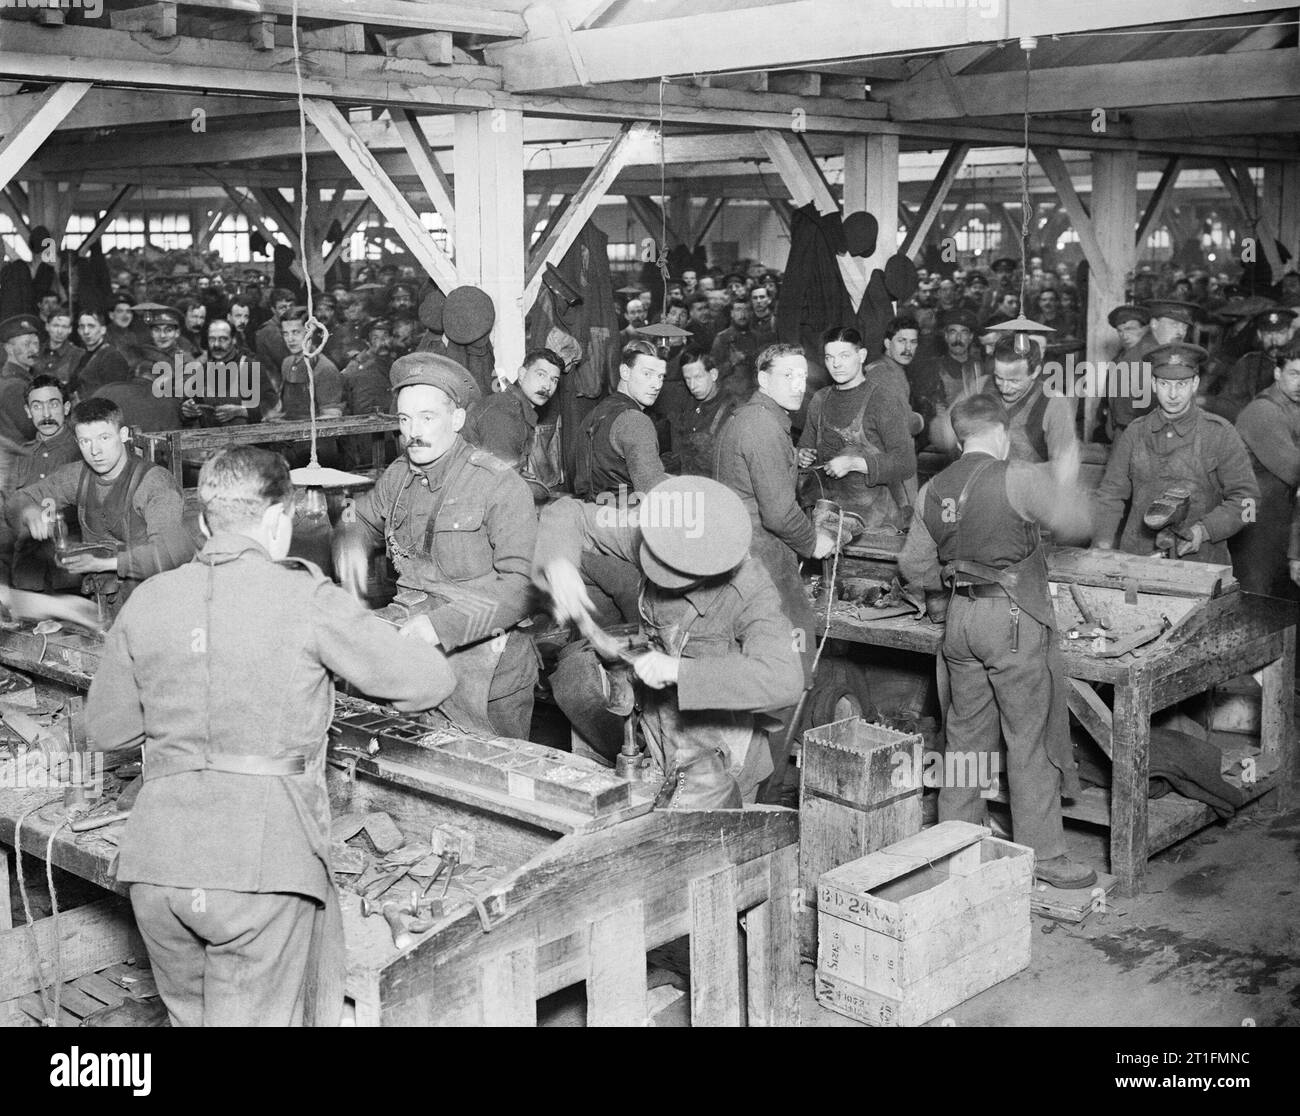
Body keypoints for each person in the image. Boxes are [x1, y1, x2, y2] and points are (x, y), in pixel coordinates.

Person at [84, 446, 455, 1027]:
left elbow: (107, 729)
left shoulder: (148, 599)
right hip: (260, 869)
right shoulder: (305, 599)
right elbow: (428, 682)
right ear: (279, 523)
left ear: (204, 523)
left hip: (157, 866)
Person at [898, 393, 1096, 890]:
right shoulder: (1019, 476)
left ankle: (955, 845)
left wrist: (945, 605)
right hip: (1011, 621)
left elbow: (914, 565)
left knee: (964, 740)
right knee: (1027, 740)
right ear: (1002, 433)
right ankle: (1045, 855)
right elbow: (1078, 525)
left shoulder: (931, 489)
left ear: (960, 438)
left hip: (960, 621)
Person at [538, 476, 805, 806]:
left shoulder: (751, 588)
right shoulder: (656, 534)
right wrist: (560, 562)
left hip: (720, 757)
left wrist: (679, 671)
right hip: (658, 733)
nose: (662, 578)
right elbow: (568, 512)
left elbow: (785, 679)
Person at [332, 353, 538, 739]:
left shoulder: (497, 484)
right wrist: (350, 566)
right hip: (412, 653)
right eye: (404, 420)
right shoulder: (398, 476)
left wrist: (440, 627)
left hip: (484, 665)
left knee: (486, 787)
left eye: (427, 418)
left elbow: (523, 589)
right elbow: (354, 517)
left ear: (457, 420)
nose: (413, 433)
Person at [713, 342, 835, 796]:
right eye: (787, 376)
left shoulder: (746, 420)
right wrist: (814, 542)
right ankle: (765, 789)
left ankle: (745, 782)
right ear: (763, 379)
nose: (798, 385)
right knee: (792, 671)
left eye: (803, 376)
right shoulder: (765, 427)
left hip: (737, 561)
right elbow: (780, 514)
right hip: (765, 561)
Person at [8, 397, 195, 618]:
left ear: (123, 435)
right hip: (103, 603)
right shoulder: (78, 475)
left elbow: (169, 554)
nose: (95, 450)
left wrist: (102, 564)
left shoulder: (153, 483)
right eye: (85, 441)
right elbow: (19, 499)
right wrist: (29, 512)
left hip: (156, 606)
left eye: (104, 438)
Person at [1093, 343, 1258, 566]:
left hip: (1202, 561)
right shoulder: (1135, 432)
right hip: (1138, 559)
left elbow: (1248, 502)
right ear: (1153, 384)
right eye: (1164, 383)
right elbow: (1110, 495)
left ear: (1195, 384)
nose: (1172, 394)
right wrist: (1101, 545)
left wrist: (1205, 530)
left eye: (1181, 384)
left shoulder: (1220, 433)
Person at [798, 326, 918, 529]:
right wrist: (802, 454)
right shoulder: (819, 399)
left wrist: (854, 463)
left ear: (861, 355)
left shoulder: (882, 400)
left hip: (875, 523)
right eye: (829, 357)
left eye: (844, 355)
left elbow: (905, 463)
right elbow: (805, 447)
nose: (836, 364)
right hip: (826, 516)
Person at [1232, 338, 1300, 596]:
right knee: (1256, 595)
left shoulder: (1293, 407)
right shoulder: (1262, 411)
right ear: (1277, 373)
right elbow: (1294, 469)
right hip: (1255, 520)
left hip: (1283, 517)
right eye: (1294, 373)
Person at [0, 376, 81, 590]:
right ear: (28, 412)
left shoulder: (84, 451)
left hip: (73, 578)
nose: (46, 415)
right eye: (37, 406)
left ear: (66, 407)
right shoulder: (19, 457)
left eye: (53, 404)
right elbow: (6, 520)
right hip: (27, 579)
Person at [461, 348, 564, 500]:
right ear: (522, 374)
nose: (547, 386)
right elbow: (500, 486)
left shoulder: (515, 407)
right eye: (541, 374)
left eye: (554, 380)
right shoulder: (504, 412)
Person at [1203, 308, 1297, 422]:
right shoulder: (1249, 363)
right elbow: (1229, 402)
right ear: (1259, 335)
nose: (1274, 341)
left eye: (1280, 333)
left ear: (1290, 333)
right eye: (1268, 334)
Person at [662, 349, 735, 477]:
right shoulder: (685, 404)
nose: (692, 386)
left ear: (713, 374)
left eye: (698, 377)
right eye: (687, 379)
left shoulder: (731, 410)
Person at [277, 311, 343, 421]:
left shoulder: (324, 368)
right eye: (285, 333)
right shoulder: (287, 363)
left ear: (309, 332)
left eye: (295, 332)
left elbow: (332, 417)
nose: (290, 339)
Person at [0, 315, 43, 484]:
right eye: (26, 344)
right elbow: (32, 429)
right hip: (19, 468)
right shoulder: (15, 386)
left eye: (36, 344)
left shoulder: (21, 379)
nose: (33, 350)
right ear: (9, 349)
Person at [1104, 304, 1157, 437]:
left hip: (1138, 429)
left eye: (1130, 329)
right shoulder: (1120, 357)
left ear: (1145, 328)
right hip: (1121, 427)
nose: (1124, 335)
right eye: (1120, 331)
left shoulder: (1149, 355)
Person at [710, 297, 762, 399]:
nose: (742, 314)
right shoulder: (722, 338)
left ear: (751, 313)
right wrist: (731, 362)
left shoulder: (758, 338)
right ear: (732, 313)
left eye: (746, 310)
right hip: (729, 396)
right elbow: (713, 371)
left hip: (754, 394)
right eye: (738, 310)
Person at [74, 310, 132, 399]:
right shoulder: (83, 356)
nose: (86, 331)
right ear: (78, 331)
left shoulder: (112, 357)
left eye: (91, 326)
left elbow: (115, 395)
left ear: (103, 330)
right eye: (82, 327)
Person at [32, 307, 85, 391]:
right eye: (55, 325)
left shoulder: (79, 355)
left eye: (64, 327)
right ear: (47, 326)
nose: (59, 331)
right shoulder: (35, 351)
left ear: (70, 330)